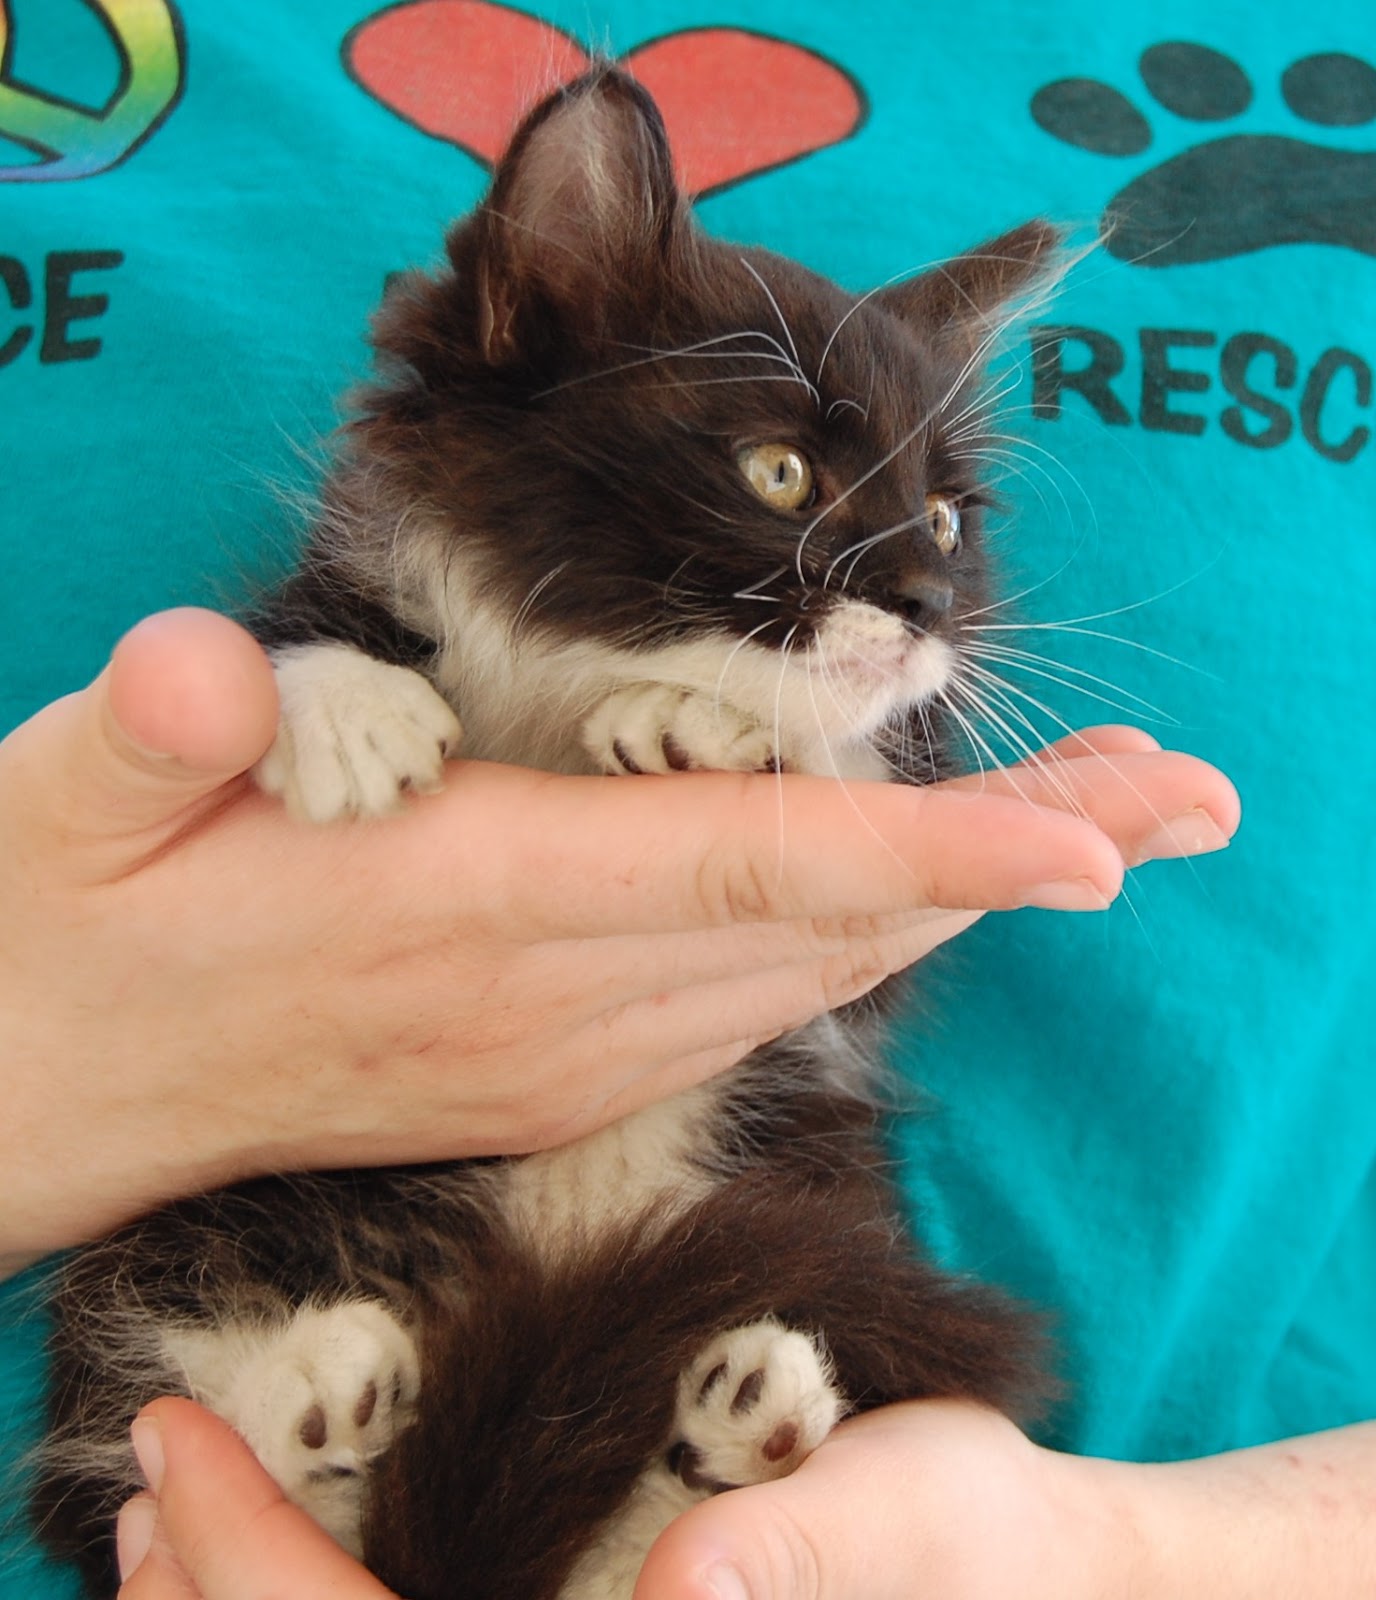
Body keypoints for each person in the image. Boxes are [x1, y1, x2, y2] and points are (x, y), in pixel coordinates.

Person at [4, 0, 1373, 1596]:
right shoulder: (391, 600)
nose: (916, 588)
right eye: (791, 477)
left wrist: (1126, 1553)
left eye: (937, 518)